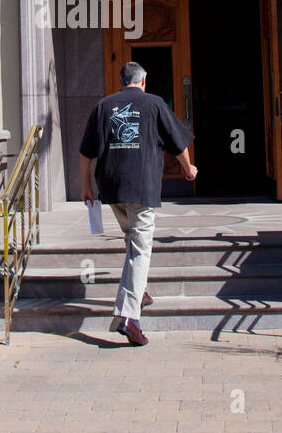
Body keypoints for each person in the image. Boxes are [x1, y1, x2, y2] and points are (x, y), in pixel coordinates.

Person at [79, 60, 196, 346]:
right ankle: (128, 317)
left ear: (123, 81)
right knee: (140, 251)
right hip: (141, 188)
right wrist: (188, 168)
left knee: (132, 241)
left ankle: (138, 290)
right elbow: (178, 143)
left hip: (111, 187)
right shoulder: (154, 103)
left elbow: (86, 151)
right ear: (143, 81)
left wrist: (86, 185)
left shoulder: (104, 106)